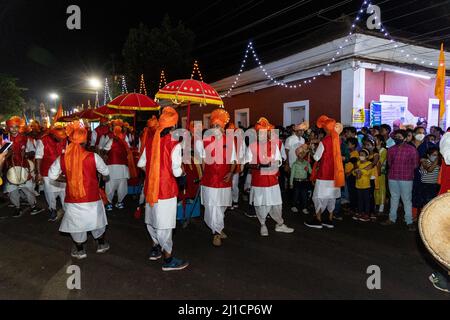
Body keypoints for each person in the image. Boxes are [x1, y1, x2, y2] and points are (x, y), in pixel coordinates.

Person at [48, 121, 110, 260]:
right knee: (97, 221)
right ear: (85, 141)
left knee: (76, 224)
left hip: (73, 198)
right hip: (92, 197)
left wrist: (67, 179)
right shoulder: (93, 156)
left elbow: (52, 176)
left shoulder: (62, 158)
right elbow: (106, 171)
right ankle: (101, 244)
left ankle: (80, 250)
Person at [137, 107, 188, 271]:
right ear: (173, 126)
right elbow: (176, 171)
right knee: (165, 225)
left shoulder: (151, 141)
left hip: (151, 188)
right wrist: (183, 171)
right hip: (166, 190)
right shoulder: (175, 144)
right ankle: (168, 259)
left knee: (152, 220)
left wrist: (153, 174)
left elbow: (141, 164)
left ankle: (155, 249)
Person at [245, 117, 294, 236]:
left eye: (265, 132)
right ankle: (263, 224)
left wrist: (275, 162)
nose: (262, 135)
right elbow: (246, 163)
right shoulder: (252, 146)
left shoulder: (274, 145)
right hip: (259, 181)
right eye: (260, 132)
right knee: (261, 204)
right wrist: (259, 165)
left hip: (273, 180)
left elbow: (279, 160)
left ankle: (280, 224)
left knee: (277, 203)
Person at [197, 109, 236, 247]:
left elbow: (233, 160)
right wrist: (202, 175)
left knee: (222, 205)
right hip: (209, 180)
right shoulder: (205, 141)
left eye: (218, 126)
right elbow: (201, 160)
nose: (215, 129)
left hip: (225, 180)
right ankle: (217, 233)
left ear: (223, 128)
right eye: (213, 126)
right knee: (212, 206)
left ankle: (217, 226)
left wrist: (231, 173)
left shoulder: (230, 141)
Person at [305, 115, 344, 229]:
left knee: (318, 196)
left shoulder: (325, 140)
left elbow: (317, 157)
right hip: (335, 173)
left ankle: (318, 219)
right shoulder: (338, 139)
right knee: (331, 196)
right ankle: (329, 219)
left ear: (326, 128)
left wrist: (311, 150)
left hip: (324, 173)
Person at [4, 116, 44, 217]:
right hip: (10, 168)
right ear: (8, 127)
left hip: (24, 167)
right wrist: (9, 153)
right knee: (12, 190)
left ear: (19, 127)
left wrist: (26, 154)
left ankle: (33, 206)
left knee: (29, 189)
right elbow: (2, 154)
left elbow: (32, 151)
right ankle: (17, 208)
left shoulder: (25, 138)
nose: (14, 129)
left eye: (16, 127)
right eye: (11, 127)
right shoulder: (5, 138)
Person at [382, 129, 419, 231]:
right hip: (393, 177)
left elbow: (416, 165)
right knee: (394, 198)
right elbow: (389, 163)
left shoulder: (412, 149)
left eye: (400, 137)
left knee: (406, 200)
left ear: (405, 138)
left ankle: (409, 221)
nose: (397, 138)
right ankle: (391, 218)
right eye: (396, 137)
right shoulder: (391, 149)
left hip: (406, 178)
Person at [35, 126, 67, 222]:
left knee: (64, 192)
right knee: (50, 194)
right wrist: (38, 173)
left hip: (62, 171)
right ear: (53, 134)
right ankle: (52, 209)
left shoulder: (64, 140)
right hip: (47, 172)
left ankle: (67, 211)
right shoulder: (42, 141)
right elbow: (38, 157)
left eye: (62, 137)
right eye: (59, 137)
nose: (61, 139)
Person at [103, 124, 137, 211]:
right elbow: (129, 151)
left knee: (110, 187)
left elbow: (105, 151)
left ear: (114, 133)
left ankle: (109, 203)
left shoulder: (111, 140)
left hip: (112, 168)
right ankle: (120, 202)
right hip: (123, 169)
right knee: (122, 187)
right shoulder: (125, 141)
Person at [284, 122, 306, 213]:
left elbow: (303, 152)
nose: (301, 132)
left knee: (299, 184)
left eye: (303, 131)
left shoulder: (303, 140)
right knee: (292, 183)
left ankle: (298, 202)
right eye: (300, 130)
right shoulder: (290, 139)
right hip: (292, 163)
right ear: (296, 131)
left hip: (300, 165)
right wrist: (287, 164)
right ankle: (291, 203)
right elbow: (286, 151)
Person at [415, 147, 440, 215]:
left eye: (437, 155)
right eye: (434, 155)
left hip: (434, 186)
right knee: (425, 204)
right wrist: (436, 161)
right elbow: (429, 170)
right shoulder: (425, 162)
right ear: (428, 155)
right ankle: (422, 219)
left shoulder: (437, 164)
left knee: (432, 204)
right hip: (425, 186)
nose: (436, 157)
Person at [352, 149, 374, 222]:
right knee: (360, 200)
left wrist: (360, 171)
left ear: (367, 156)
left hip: (366, 186)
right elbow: (353, 173)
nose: (361, 156)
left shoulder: (369, 164)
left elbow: (368, 173)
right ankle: (360, 212)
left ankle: (367, 214)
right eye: (360, 155)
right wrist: (357, 171)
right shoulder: (358, 163)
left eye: (363, 155)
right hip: (358, 185)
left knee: (366, 200)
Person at [290, 145, 312, 214]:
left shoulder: (306, 163)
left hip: (304, 181)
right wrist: (291, 183)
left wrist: (308, 169)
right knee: (296, 195)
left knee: (304, 195)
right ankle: (293, 206)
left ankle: (304, 208)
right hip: (296, 181)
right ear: (297, 154)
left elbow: (310, 172)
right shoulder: (295, 164)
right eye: (300, 153)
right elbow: (292, 175)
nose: (302, 154)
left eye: (303, 153)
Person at [374, 135, 387, 214]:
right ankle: (376, 204)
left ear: (381, 141)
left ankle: (381, 206)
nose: (375, 141)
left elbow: (380, 162)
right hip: (374, 173)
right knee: (375, 189)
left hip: (380, 173)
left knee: (381, 189)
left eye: (376, 139)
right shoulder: (375, 150)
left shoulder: (383, 150)